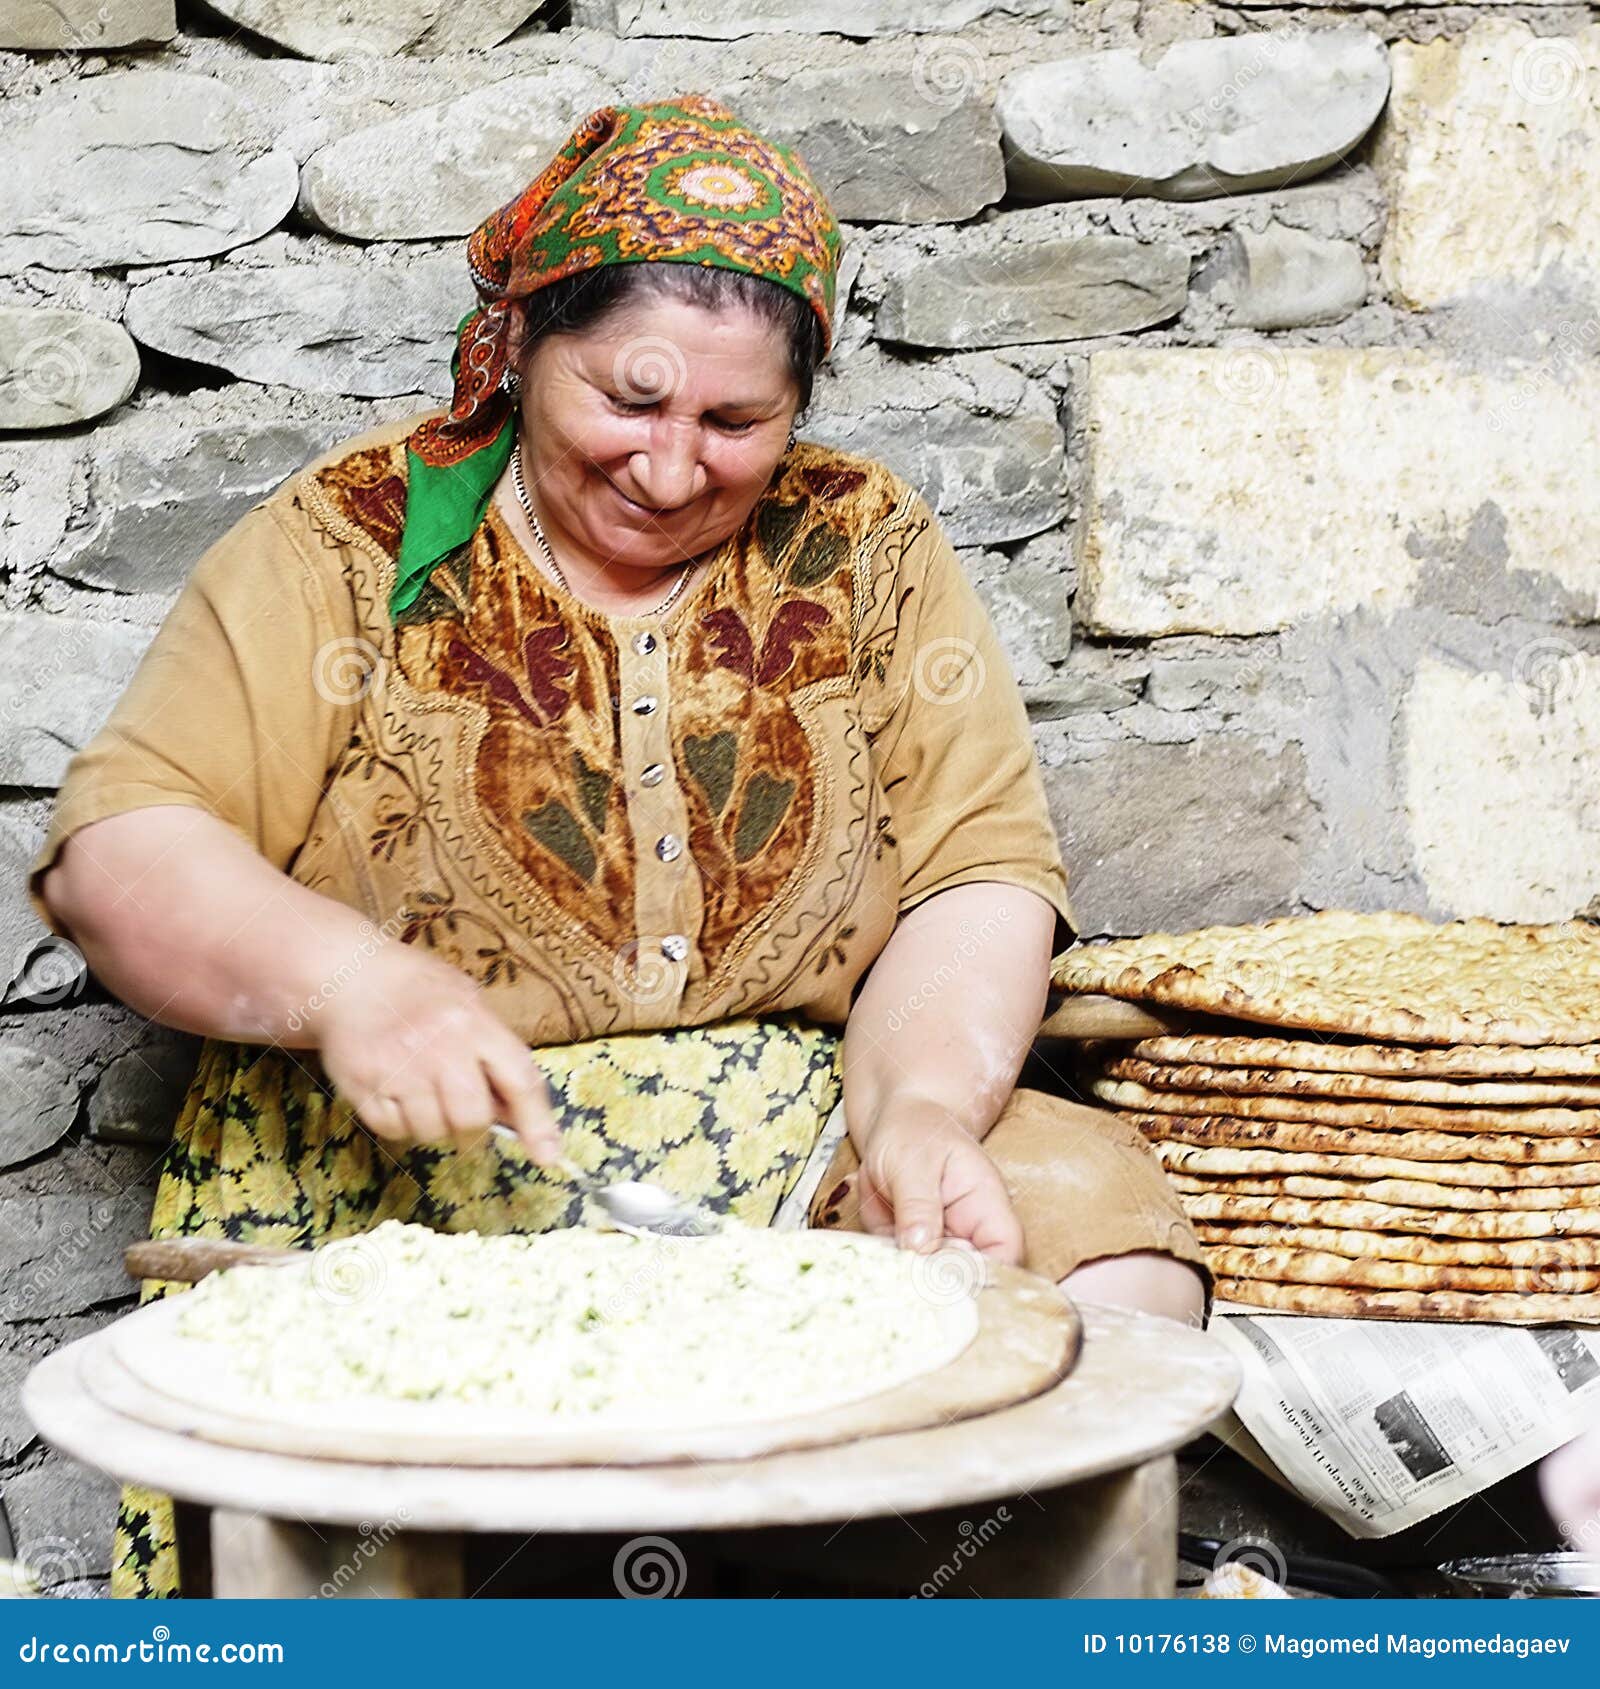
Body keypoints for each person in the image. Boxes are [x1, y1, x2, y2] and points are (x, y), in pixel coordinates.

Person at [27, 95, 1211, 1598]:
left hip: (802, 1142)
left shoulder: (863, 544)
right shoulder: (351, 540)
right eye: (626, 402)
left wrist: (919, 1109)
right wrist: (349, 987)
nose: (670, 468)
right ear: (523, 349)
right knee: (456, 1508)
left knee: (1113, 1274)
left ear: (803, 403)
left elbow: (979, 866)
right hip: (436, 1179)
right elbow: (120, 847)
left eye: (735, 423)